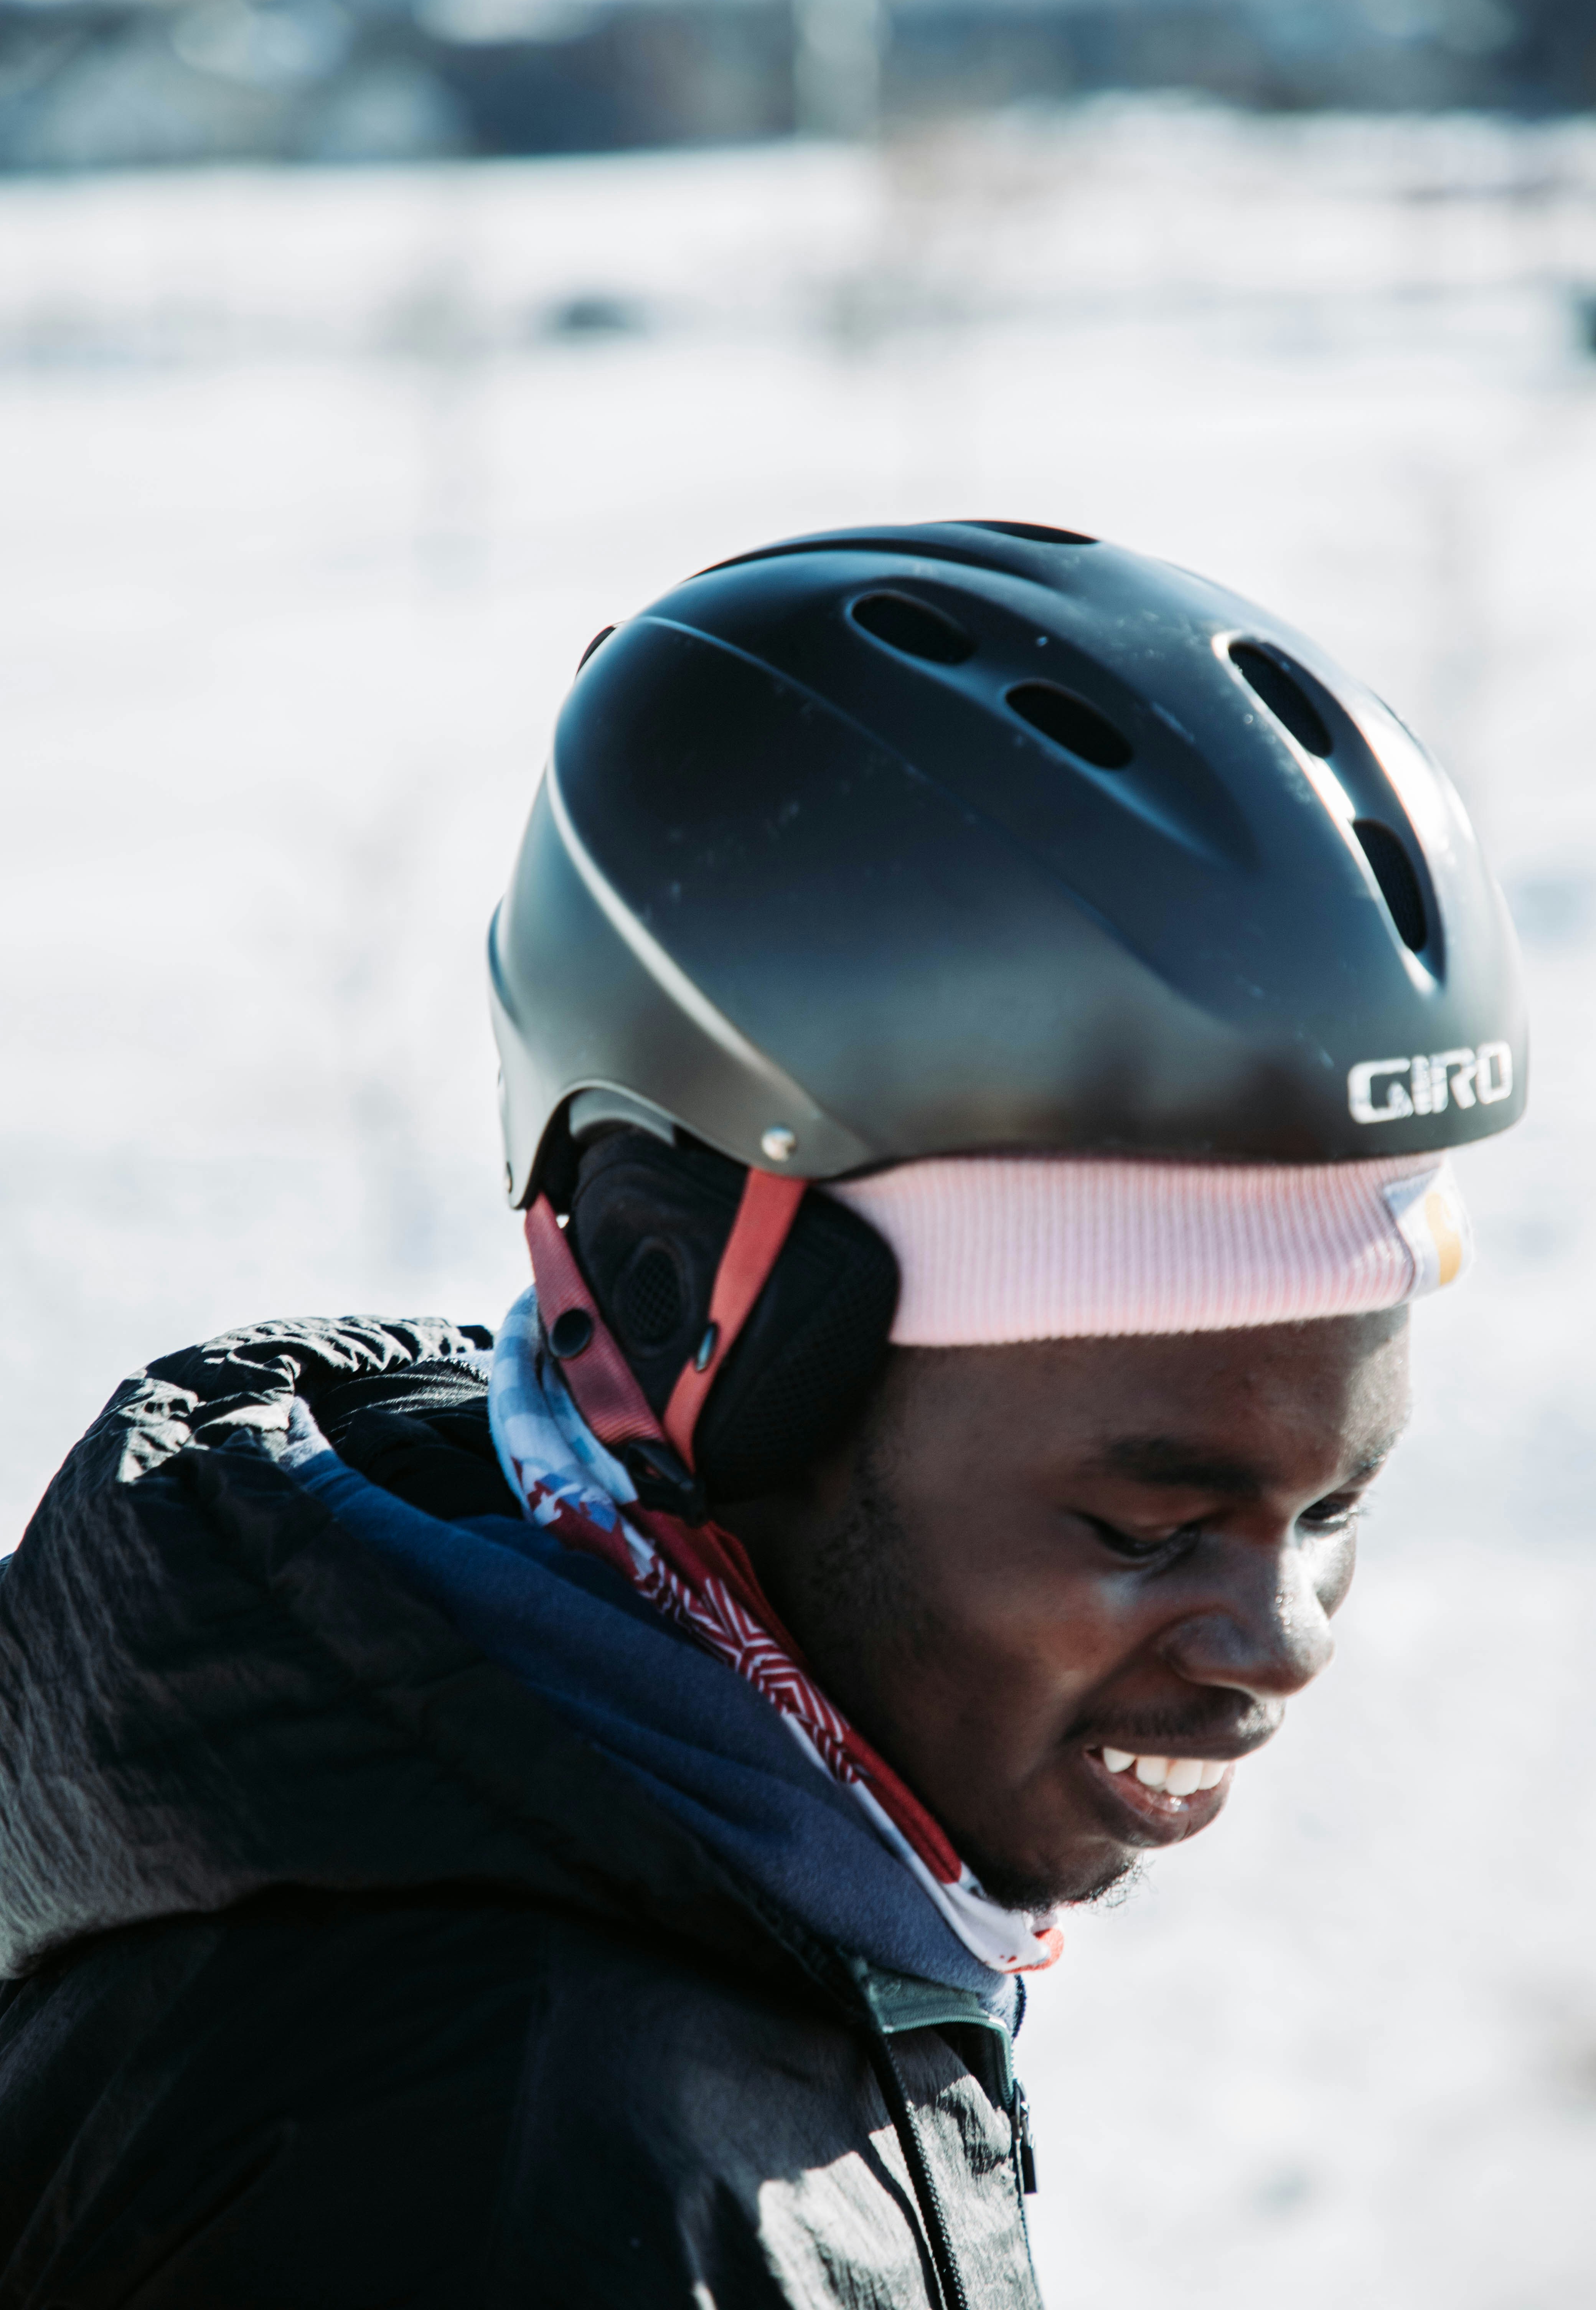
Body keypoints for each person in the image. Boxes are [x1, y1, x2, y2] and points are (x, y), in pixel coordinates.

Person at [0, 522, 1524, 2309]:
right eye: (1143, 1525)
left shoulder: (638, 1832)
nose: (1280, 1641)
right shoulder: (528, 2181)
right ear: (681, 1310)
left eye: (1332, 1505)